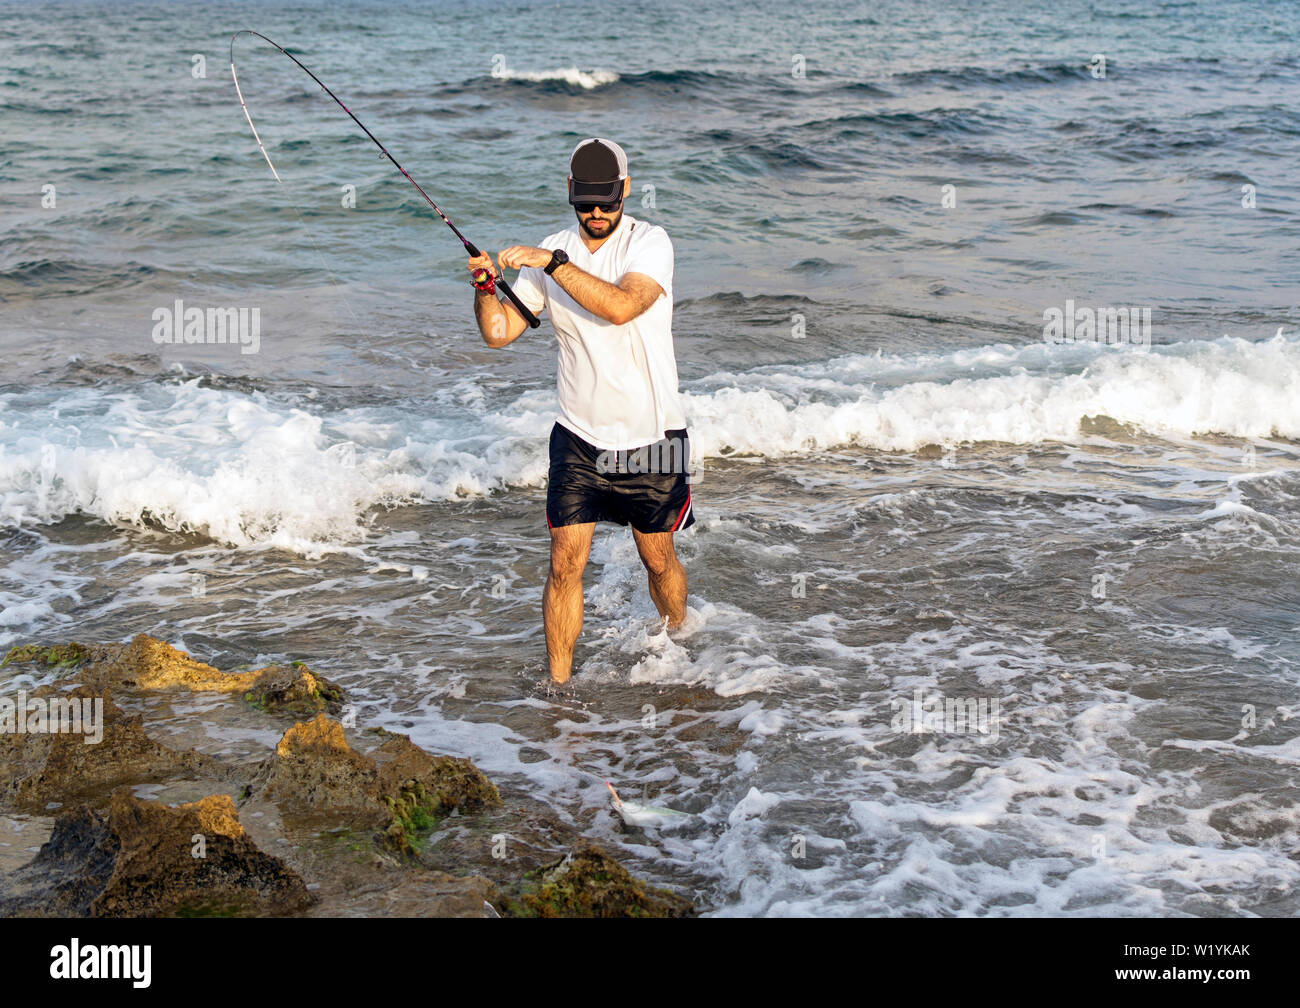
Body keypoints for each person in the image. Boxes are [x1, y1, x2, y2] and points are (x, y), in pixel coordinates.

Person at [467, 137, 694, 685]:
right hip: (578, 436)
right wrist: (482, 289)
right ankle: (559, 692)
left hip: (650, 437)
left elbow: (620, 307)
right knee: (564, 561)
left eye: (607, 201)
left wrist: (553, 263)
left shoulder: (650, 243)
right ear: (570, 193)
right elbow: (499, 333)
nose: (596, 213)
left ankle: (680, 642)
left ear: (625, 192)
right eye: (585, 202)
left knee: (657, 560)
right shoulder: (554, 249)